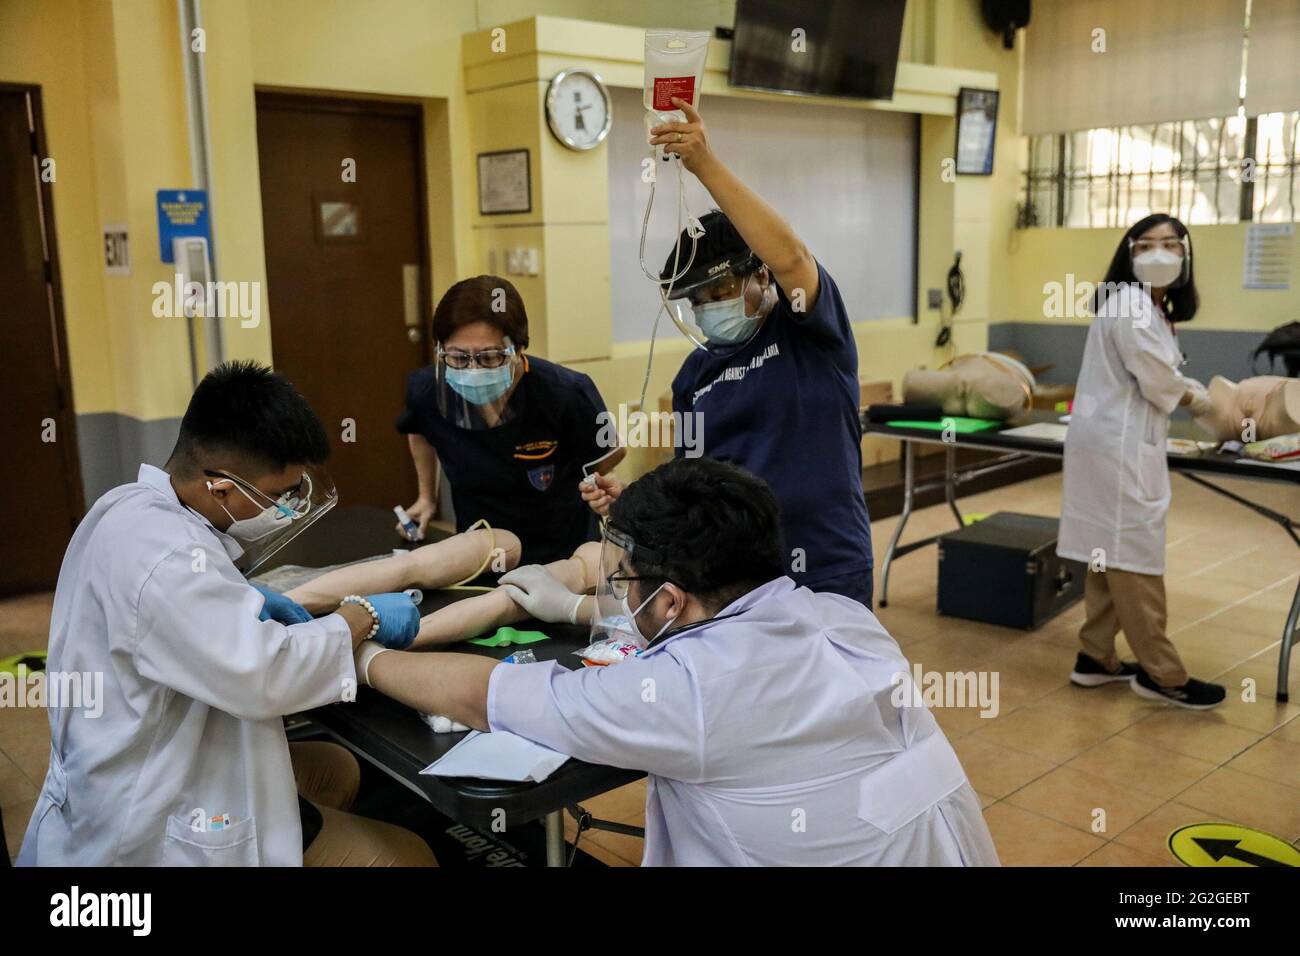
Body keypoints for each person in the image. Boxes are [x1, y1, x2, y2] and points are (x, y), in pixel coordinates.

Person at [356, 457, 998, 866]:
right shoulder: (843, 617)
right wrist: (576, 607)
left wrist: (359, 653)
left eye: (621, 581)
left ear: (668, 600)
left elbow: (483, 694)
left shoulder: (686, 693)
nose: (615, 593)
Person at [19, 361, 434, 866]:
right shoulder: (169, 558)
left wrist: (240, 597)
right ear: (220, 487)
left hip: (136, 750)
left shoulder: (129, 506)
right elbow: (265, 675)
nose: (286, 509)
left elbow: (178, 612)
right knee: (409, 856)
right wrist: (361, 615)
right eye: (279, 497)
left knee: (335, 769)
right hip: (147, 820)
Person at [581, 98, 874, 607]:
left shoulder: (809, 333)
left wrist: (704, 164)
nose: (708, 309)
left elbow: (792, 255)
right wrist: (635, 500)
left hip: (825, 562)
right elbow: (695, 488)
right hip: (734, 577)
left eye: (719, 292)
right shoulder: (695, 376)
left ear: (760, 275)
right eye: (697, 301)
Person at [1058, 214, 1225, 709]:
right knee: (1134, 559)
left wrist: (1188, 392)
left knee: (1106, 553)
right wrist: (1208, 403)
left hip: (1110, 445)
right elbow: (1159, 382)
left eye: (1171, 244)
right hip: (1119, 450)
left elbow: (1156, 374)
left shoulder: (1145, 306)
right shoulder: (1132, 306)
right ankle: (1162, 674)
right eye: (1147, 244)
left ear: (1185, 256)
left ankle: (1095, 656)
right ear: (1129, 254)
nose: (1159, 253)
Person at [397, 275, 623, 564]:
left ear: (518, 349)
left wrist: (591, 487)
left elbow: (611, 451)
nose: (473, 370)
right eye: (458, 358)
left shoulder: (565, 392)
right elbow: (418, 430)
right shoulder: (427, 390)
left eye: (490, 357)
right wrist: (426, 497)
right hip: (478, 548)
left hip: (559, 551)